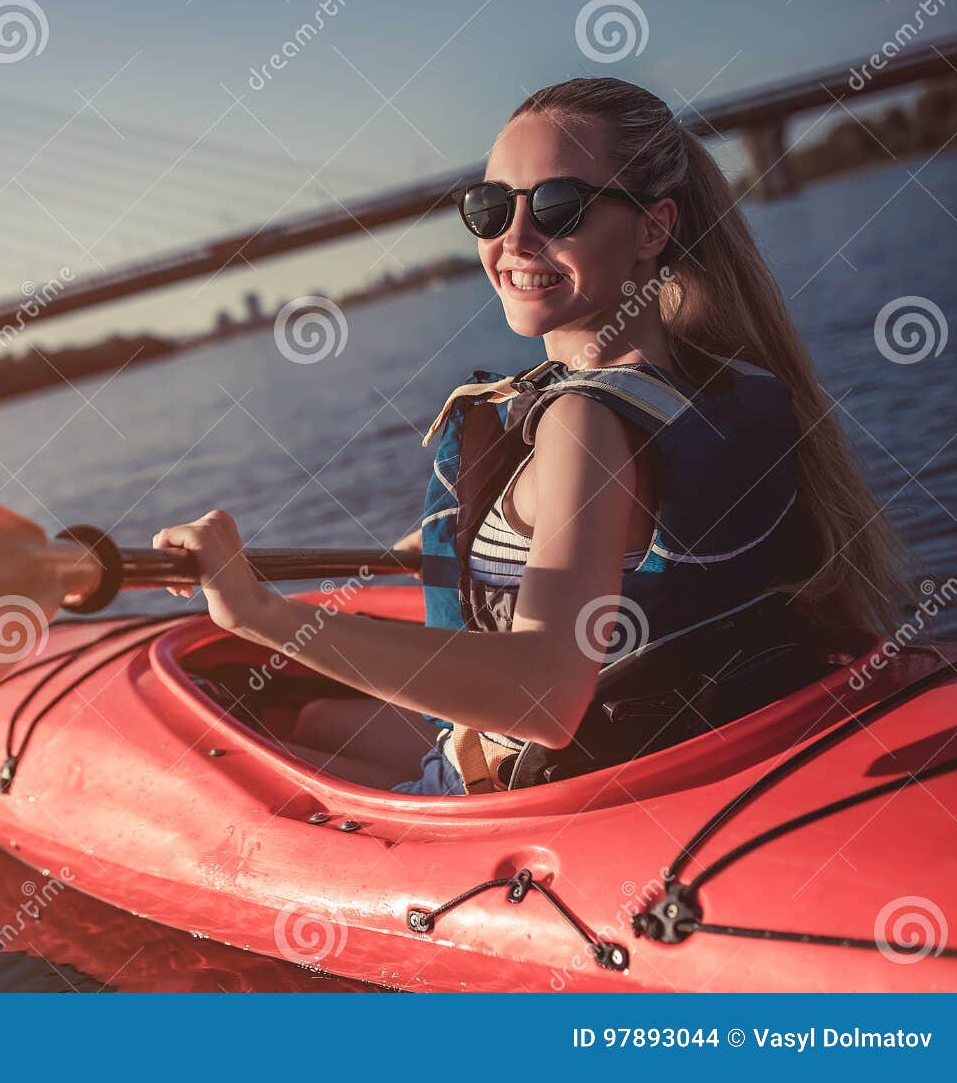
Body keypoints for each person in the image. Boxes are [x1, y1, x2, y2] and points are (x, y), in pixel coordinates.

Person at [152, 77, 905, 795]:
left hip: (559, 777)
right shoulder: (718, 380)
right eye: (489, 207)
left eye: (558, 206)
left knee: (202, 751)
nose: (513, 238)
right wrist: (454, 551)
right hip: (692, 726)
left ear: (653, 227)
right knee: (313, 714)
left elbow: (544, 696)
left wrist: (261, 615)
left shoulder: (586, 422)